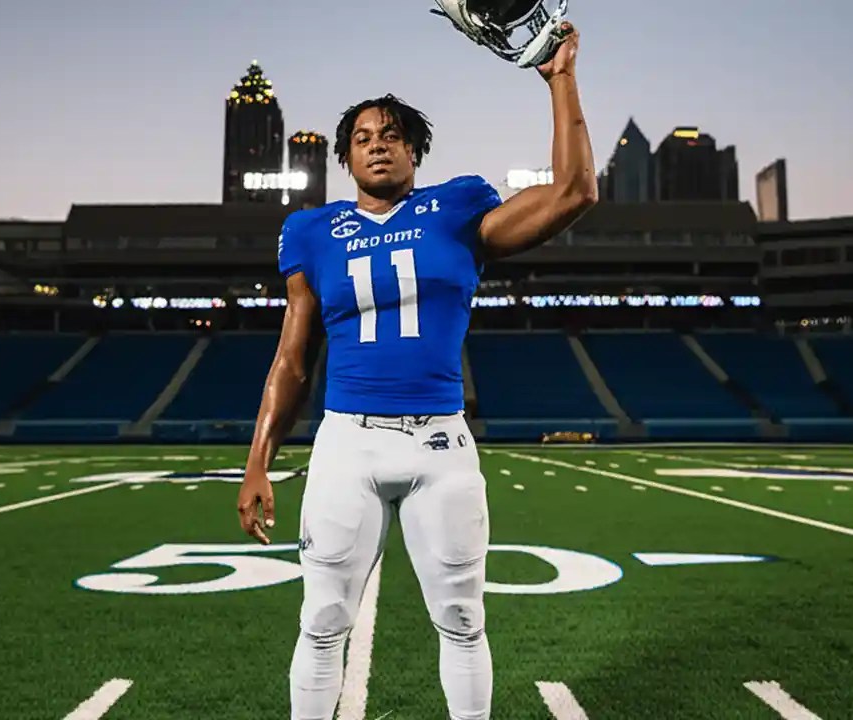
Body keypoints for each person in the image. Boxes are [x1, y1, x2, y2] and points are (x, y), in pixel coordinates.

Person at [238, 23, 596, 720]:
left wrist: (560, 78)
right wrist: (258, 460)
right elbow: (292, 357)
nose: (378, 141)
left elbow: (574, 192)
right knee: (321, 620)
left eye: (393, 133)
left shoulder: (457, 208)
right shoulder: (312, 231)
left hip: (440, 441)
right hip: (347, 442)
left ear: (414, 151)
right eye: (364, 135)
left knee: (463, 618)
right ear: (345, 156)